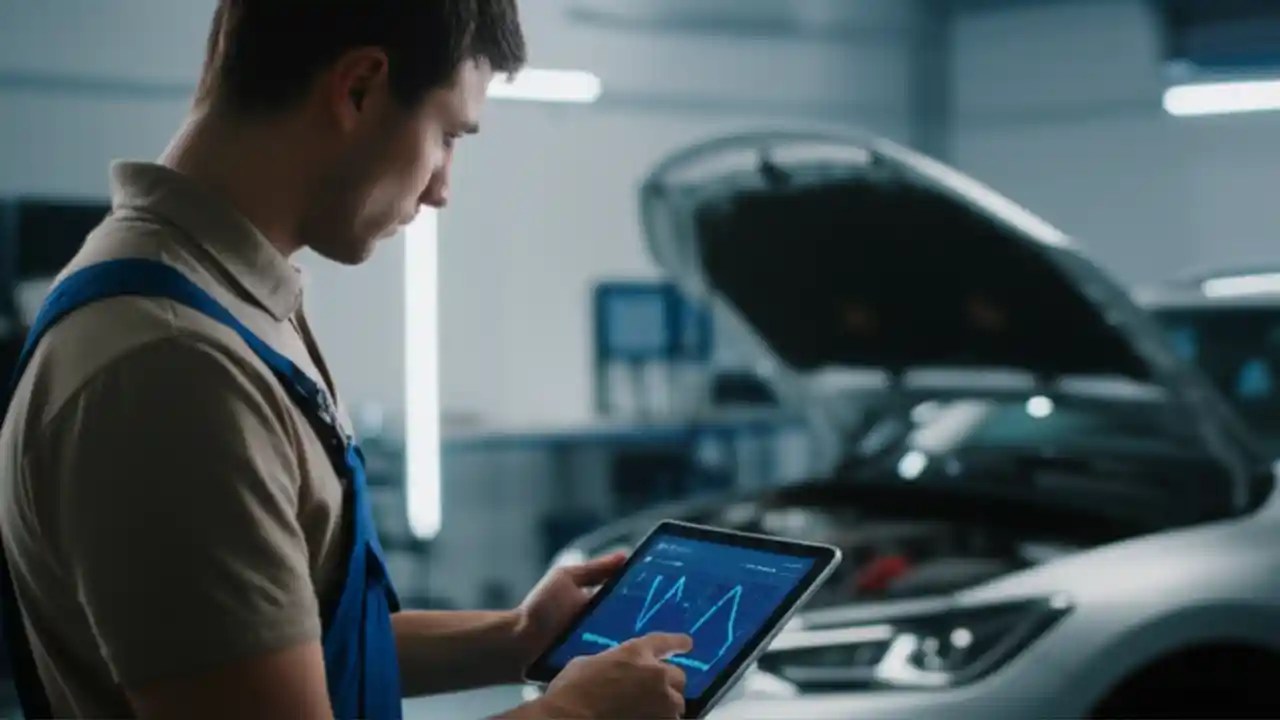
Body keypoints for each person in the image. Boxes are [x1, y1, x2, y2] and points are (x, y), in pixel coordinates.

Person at [0, 1, 692, 718]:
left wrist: (516, 636)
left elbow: (278, 649)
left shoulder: (220, 299)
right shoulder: (172, 365)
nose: (441, 187)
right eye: (447, 135)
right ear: (359, 87)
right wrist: (573, 713)